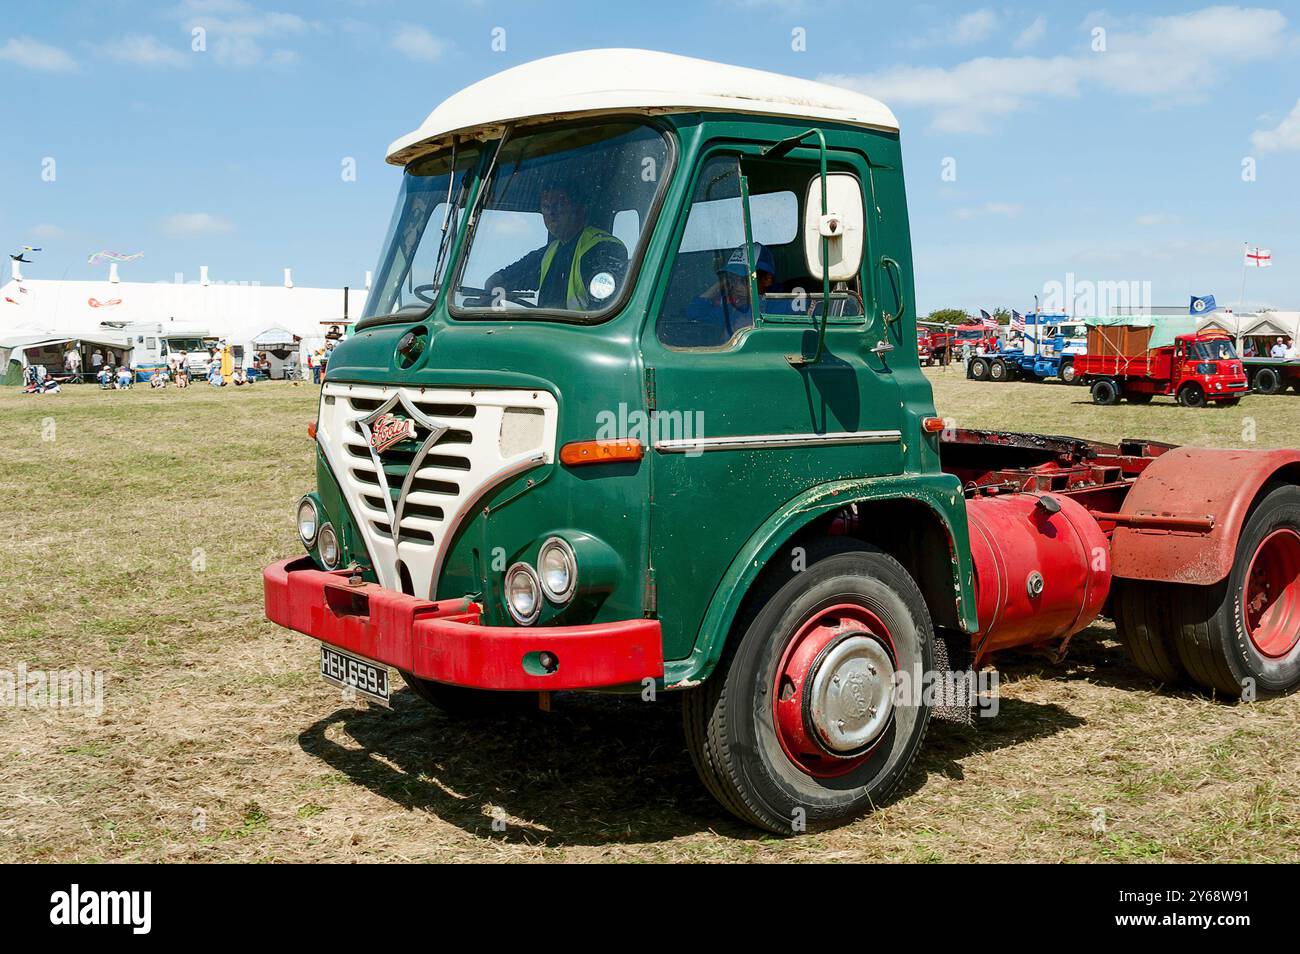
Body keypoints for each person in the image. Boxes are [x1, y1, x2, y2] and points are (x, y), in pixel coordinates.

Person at [482, 180, 629, 312]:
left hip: (580, 337)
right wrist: (492, 285)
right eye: (546, 207)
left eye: (559, 204)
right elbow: (507, 277)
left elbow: (605, 310)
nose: (552, 213)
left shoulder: (604, 248)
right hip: (547, 331)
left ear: (580, 208)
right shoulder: (549, 253)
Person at [684, 244, 778, 339]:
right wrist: (719, 285)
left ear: (767, 279)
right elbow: (693, 314)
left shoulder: (778, 306)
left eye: (744, 280)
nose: (736, 287)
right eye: (733, 280)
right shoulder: (731, 309)